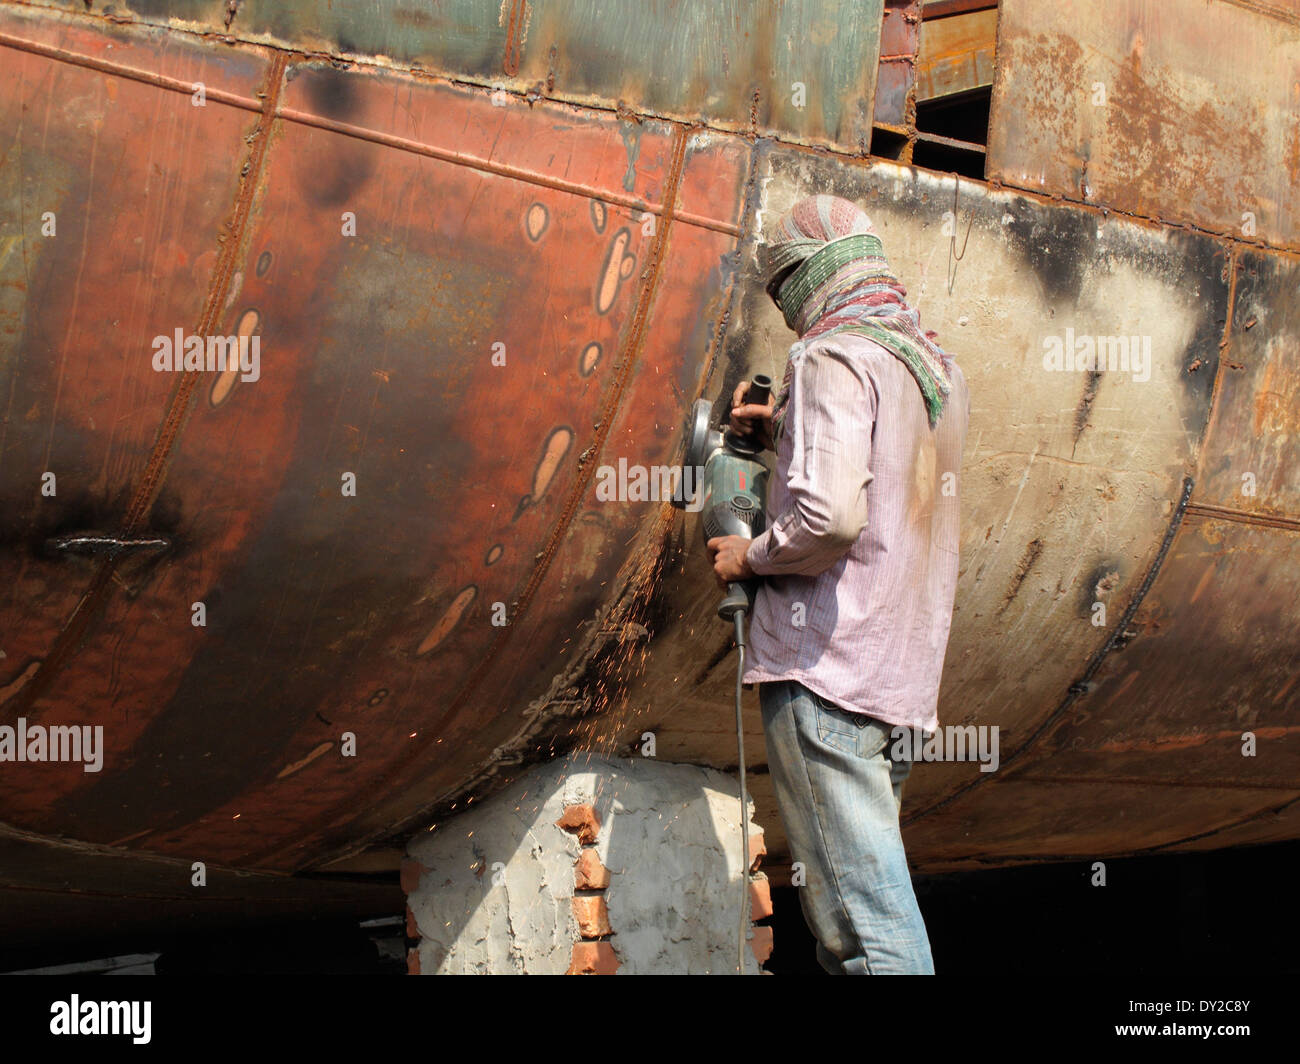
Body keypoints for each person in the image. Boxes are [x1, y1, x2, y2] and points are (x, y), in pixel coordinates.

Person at [707, 194, 969, 974]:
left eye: (785, 289)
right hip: (899, 677)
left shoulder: (826, 357)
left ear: (807, 280)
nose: (788, 315)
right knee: (863, 909)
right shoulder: (935, 370)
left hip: (826, 675)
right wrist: (784, 434)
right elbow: (881, 484)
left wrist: (747, 559)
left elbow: (827, 519)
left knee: (866, 930)